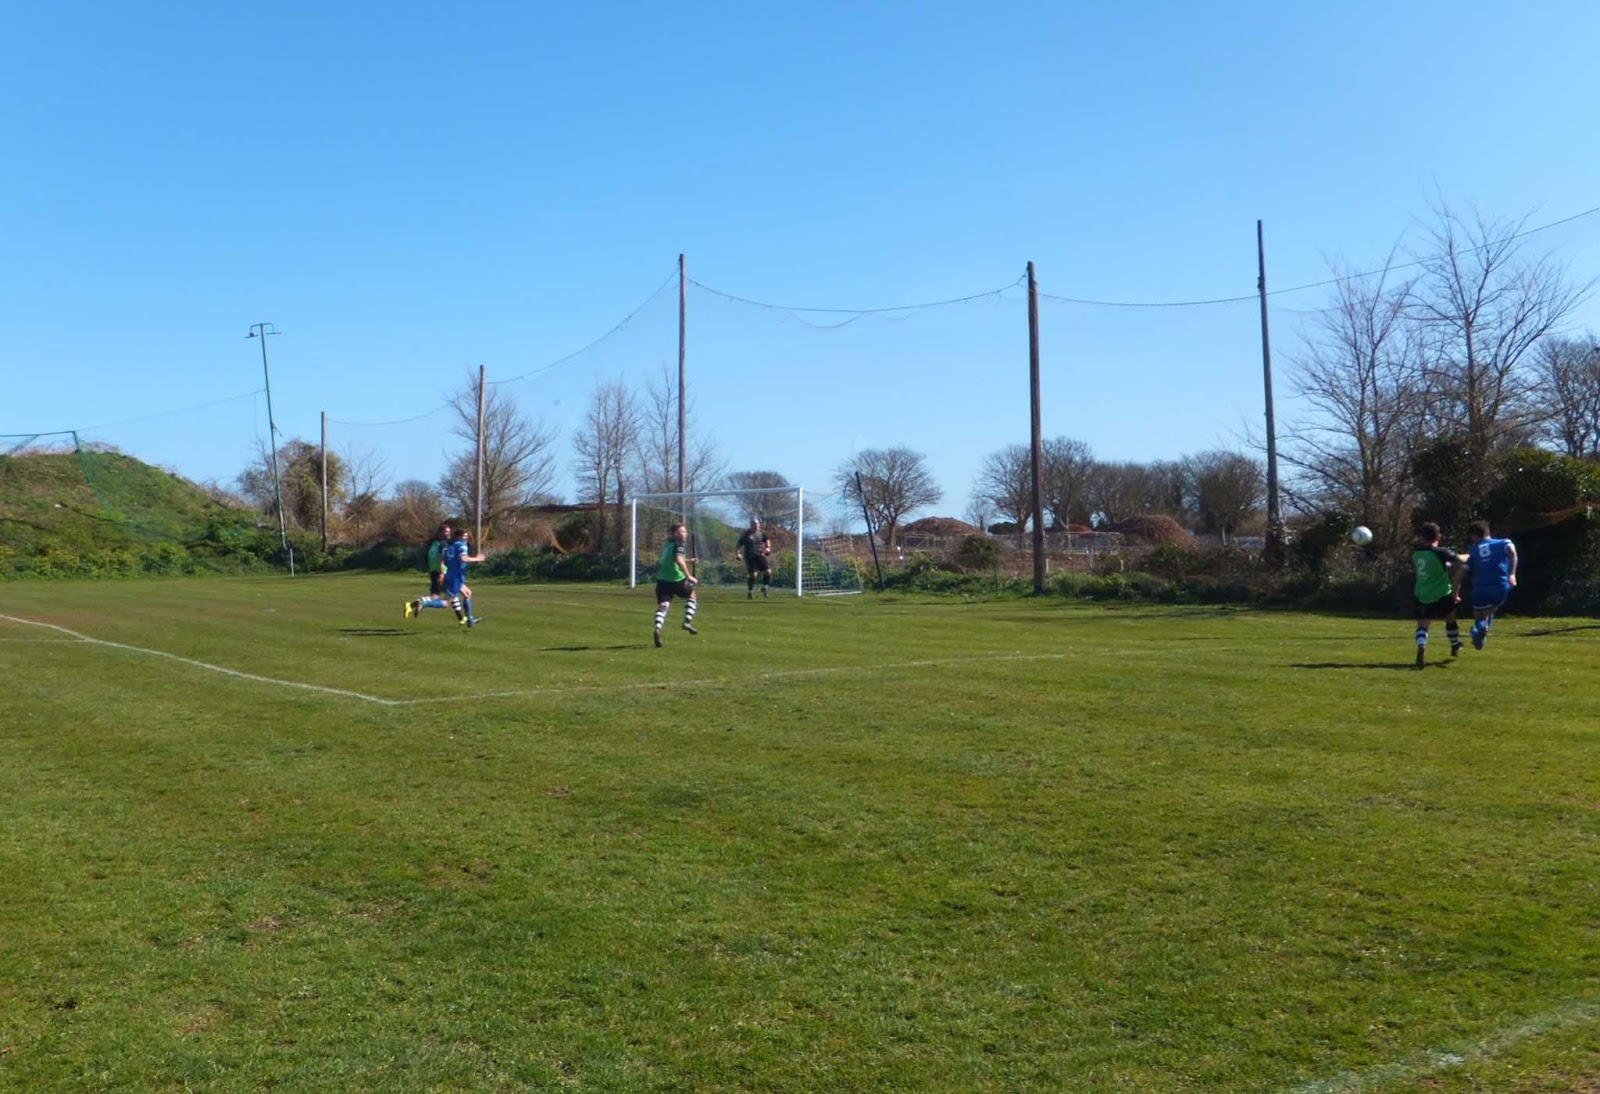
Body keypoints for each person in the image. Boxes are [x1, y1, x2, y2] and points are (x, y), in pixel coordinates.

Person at [1410, 521, 1465, 669]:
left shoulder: (1417, 553)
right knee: (1450, 619)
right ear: (1438, 536)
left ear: (1422, 537)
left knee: (1423, 625)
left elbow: (1434, 566)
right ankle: (1455, 645)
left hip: (1422, 593)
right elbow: (1460, 560)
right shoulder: (1441, 552)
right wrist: (1472, 554)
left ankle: (1421, 645)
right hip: (1442, 593)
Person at [1464, 520, 1517, 650]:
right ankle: (1481, 634)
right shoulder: (1504, 542)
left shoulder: (1473, 549)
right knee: (1490, 610)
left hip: (1480, 587)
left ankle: (1480, 630)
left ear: (1475, 535)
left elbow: (1464, 566)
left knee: (1479, 616)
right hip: (1500, 584)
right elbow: (1512, 553)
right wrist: (1512, 574)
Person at [652, 522, 698, 647]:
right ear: (676, 534)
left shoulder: (667, 544)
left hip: (662, 580)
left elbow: (673, 559)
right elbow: (678, 560)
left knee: (664, 606)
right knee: (692, 595)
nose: (686, 534)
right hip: (677, 580)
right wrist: (689, 576)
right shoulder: (679, 545)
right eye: (683, 531)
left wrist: (689, 560)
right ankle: (687, 621)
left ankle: (657, 628)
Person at [405, 521, 454, 619]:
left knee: (444, 596)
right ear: (440, 533)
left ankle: (410, 606)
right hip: (441, 573)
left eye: (449, 531)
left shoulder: (433, 543)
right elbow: (441, 560)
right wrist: (442, 573)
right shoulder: (443, 545)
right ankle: (422, 602)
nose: (449, 533)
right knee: (444, 598)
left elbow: (428, 557)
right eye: (446, 532)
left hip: (433, 572)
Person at [443, 526, 486, 627]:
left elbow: (445, 560)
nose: (465, 539)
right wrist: (477, 559)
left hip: (451, 574)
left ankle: (470, 620)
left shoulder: (451, 546)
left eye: (466, 537)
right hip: (456, 576)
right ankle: (424, 602)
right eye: (464, 537)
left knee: (468, 593)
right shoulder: (461, 545)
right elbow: (464, 559)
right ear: (458, 537)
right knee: (446, 602)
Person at [736, 517, 772, 599]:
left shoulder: (762, 533)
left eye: (757, 524)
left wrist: (768, 548)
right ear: (751, 524)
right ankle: (750, 591)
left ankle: (764, 587)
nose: (756, 525)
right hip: (750, 557)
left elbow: (767, 541)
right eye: (754, 524)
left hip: (760, 555)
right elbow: (738, 544)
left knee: (768, 571)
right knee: (754, 575)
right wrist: (738, 553)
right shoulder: (746, 534)